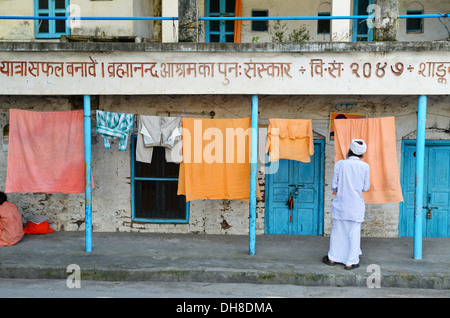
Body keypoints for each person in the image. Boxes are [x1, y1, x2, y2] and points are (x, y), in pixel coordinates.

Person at [323, 139, 370, 270]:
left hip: (341, 205)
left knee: (338, 232)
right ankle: (350, 262)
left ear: (349, 150)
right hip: (356, 206)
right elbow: (366, 187)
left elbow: (334, 185)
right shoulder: (365, 167)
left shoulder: (340, 164)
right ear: (362, 154)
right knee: (354, 233)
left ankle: (332, 258)